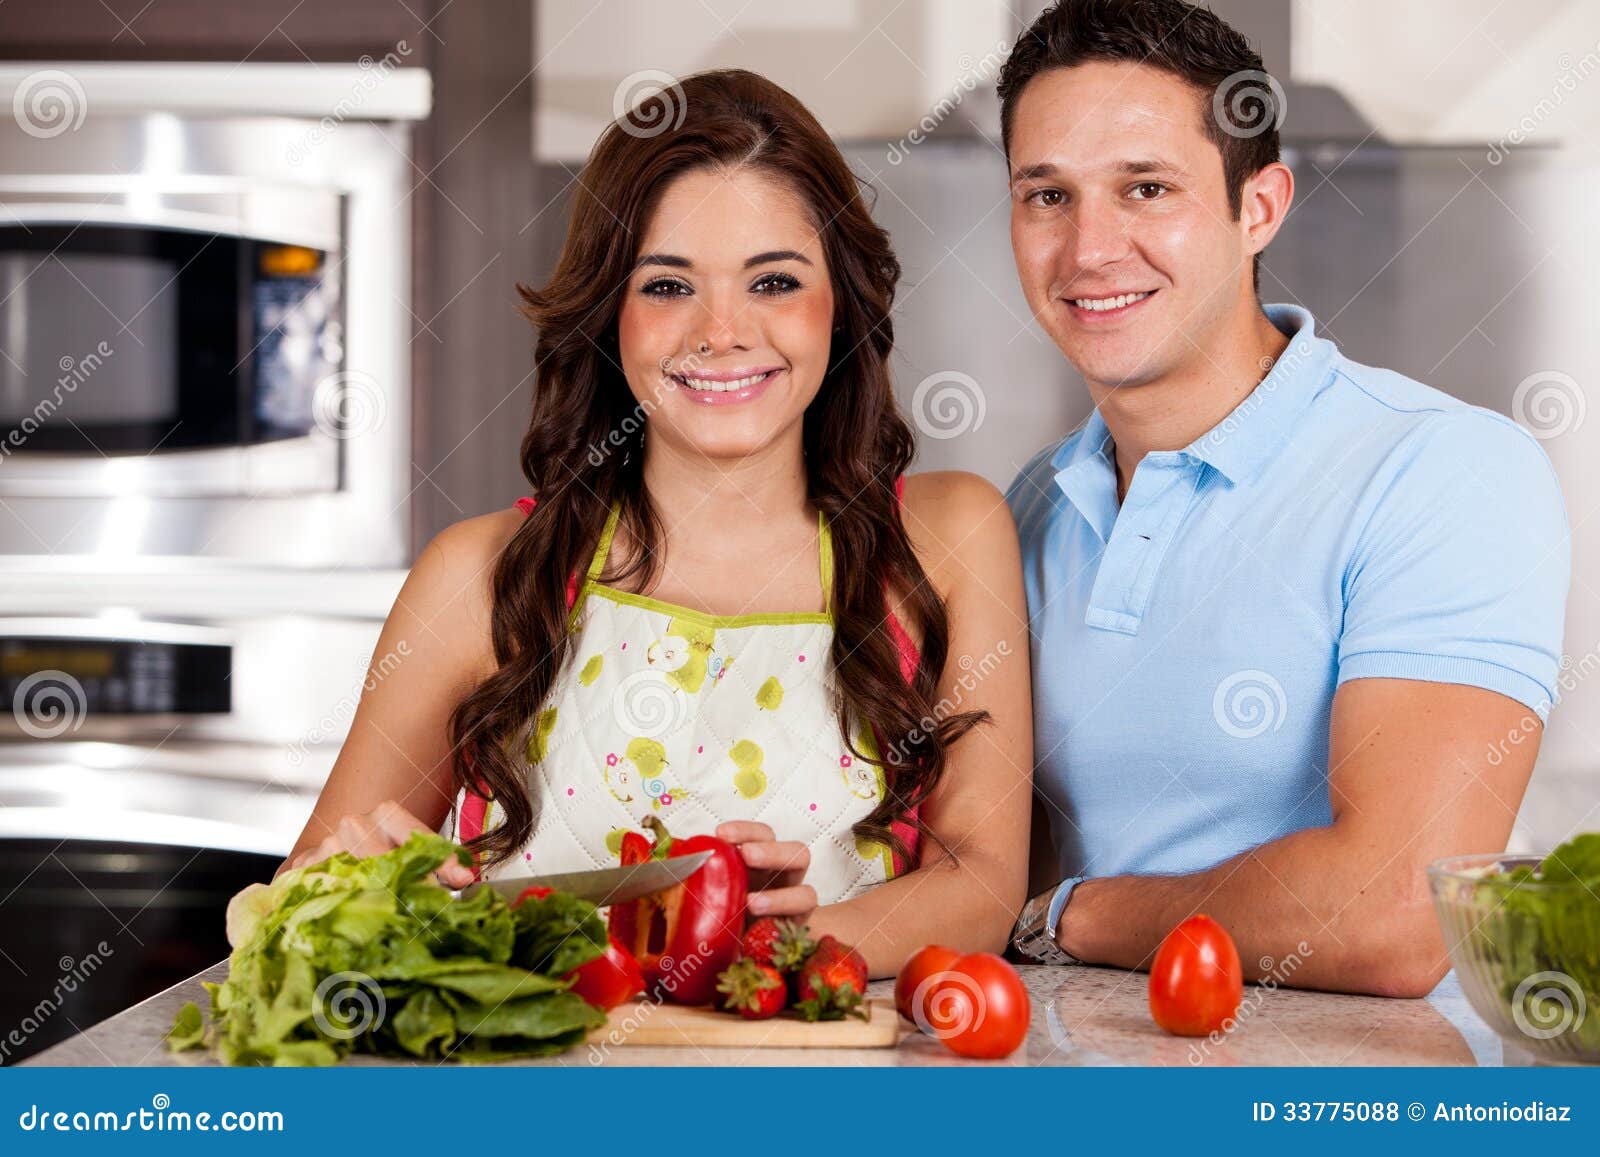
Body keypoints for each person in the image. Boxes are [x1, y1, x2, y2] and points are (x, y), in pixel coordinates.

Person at [280, 69, 1033, 977]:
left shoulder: (949, 539)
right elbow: (300, 900)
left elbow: (983, 883)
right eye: (669, 286)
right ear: (610, 316)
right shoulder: (477, 576)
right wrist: (362, 892)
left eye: (775, 281)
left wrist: (781, 946)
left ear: (840, 304)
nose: (721, 331)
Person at [1000, 0, 1569, 996]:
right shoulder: (1033, 502)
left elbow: (1395, 911)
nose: (1088, 247)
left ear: (1257, 207)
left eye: (1145, 187)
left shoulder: (1441, 469)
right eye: (1046, 194)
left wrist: (1063, 915)